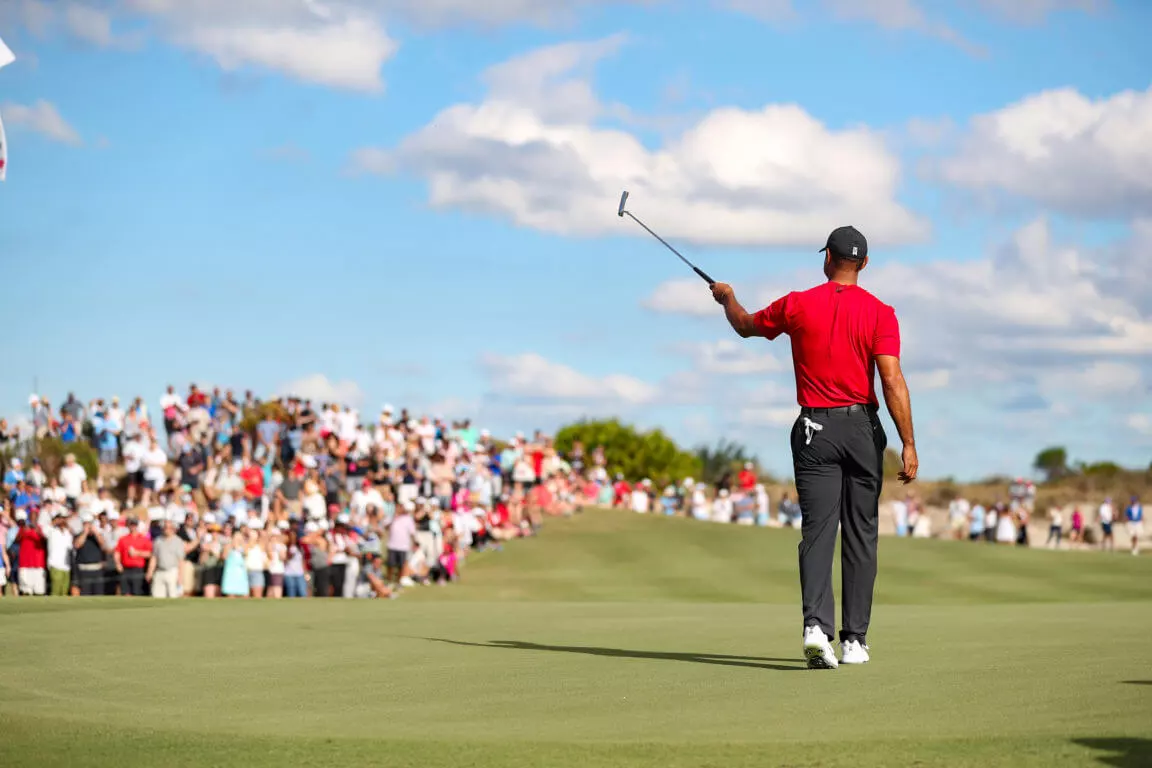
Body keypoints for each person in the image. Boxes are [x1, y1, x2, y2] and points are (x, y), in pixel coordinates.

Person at [710, 224, 917, 670]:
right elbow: (892, 379)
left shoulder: (798, 303)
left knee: (818, 531)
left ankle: (815, 629)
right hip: (862, 429)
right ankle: (855, 640)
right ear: (863, 264)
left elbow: (745, 326)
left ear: (827, 259)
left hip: (814, 430)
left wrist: (727, 297)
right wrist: (909, 444)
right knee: (861, 532)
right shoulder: (881, 312)